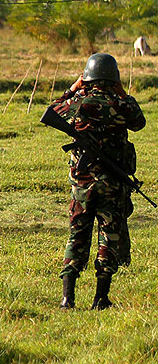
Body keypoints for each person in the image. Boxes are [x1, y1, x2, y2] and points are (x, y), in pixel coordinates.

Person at [52, 52, 145, 310]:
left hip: (82, 184)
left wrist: (73, 88)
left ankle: (67, 298)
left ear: (87, 77)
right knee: (108, 237)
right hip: (112, 184)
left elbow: (53, 110)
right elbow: (139, 122)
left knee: (77, 235)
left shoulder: (78, 102)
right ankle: (100, 298)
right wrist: (123, 93)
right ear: (114, 78)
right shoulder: (121, 105)